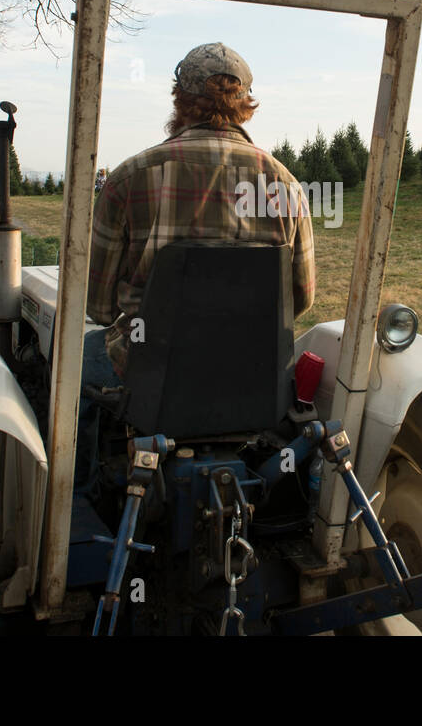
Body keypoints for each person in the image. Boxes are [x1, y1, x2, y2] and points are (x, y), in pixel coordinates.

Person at [75, 43, 315, 493]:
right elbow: (300, 297)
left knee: (75, 366)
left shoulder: (130, 177)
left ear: (180, 100)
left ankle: (78, 501)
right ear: (245, 105)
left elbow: (101, 308)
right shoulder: (286, 185)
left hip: (149, 371)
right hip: (252, 374)